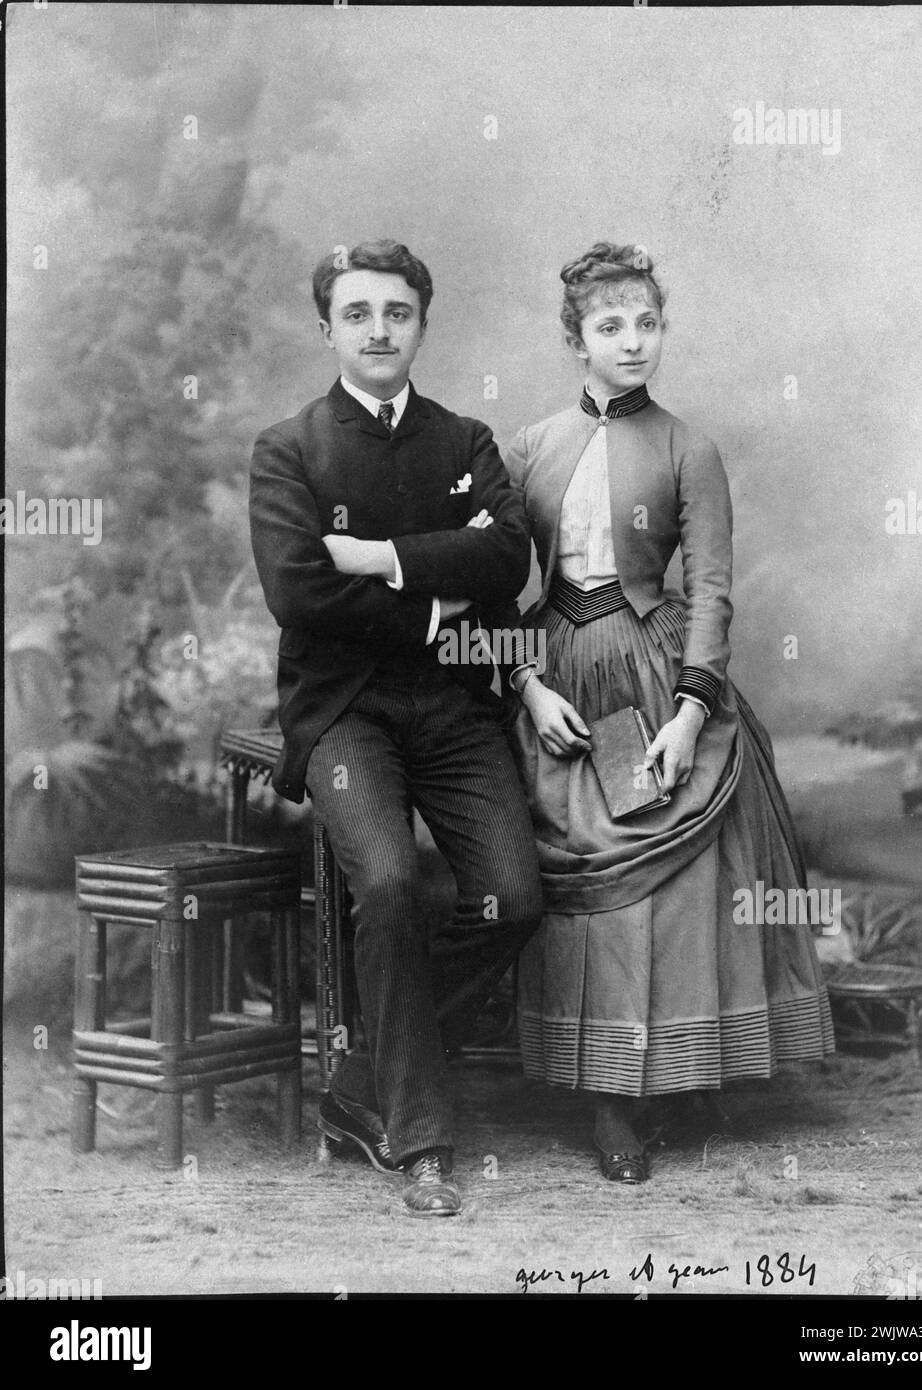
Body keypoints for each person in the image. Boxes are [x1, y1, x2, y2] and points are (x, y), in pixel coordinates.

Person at [504, 242, 834, 1183]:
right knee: (586, 885)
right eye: (612, 327)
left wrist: (690, 715)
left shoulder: (690, 446)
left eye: (647, 323)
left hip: (660, 665)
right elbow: (494, 595)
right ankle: (607, 1098)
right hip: (560, 670)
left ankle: (684, 1075)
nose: (634, 341)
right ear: (577, 340)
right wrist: (526, 684)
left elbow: (714, 589)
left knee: (683, 881)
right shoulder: (528, 447)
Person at [249, 239, 542, 1216]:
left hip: (455, 704)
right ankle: (419, 1141)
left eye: (398, 313)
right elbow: (300, 593)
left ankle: (362, 1076)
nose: (380, 331)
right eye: (359, 313)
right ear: (328, 325)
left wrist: (375, 554)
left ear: (422, 323)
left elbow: (506, 556)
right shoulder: (288, 449)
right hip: (343, 712)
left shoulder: (464, 440)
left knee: (513, 896)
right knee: (388, 881)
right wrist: (426, 602)